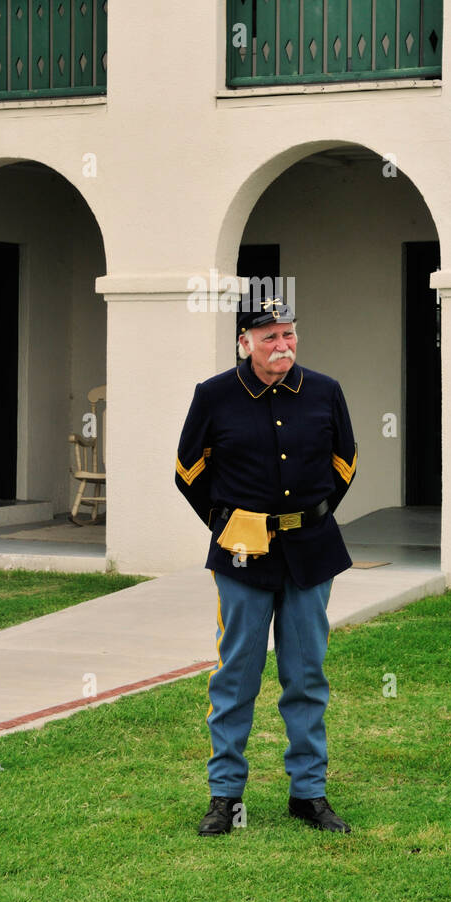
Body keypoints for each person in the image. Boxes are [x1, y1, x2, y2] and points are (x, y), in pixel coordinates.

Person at [174, 295, 358, 835]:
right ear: (245, 343)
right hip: (241, 555)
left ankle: (309, 794)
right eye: (270, 336)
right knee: (236, 676)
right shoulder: (214, 396)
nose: (282, 345)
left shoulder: (325, 391)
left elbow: (344, 462)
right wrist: (231, 523)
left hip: (311, 553)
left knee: (305, 675)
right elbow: (189, 471)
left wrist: (309, 519)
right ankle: (225, 797)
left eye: (289, 334)